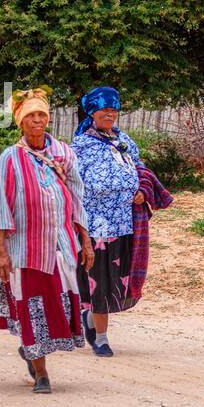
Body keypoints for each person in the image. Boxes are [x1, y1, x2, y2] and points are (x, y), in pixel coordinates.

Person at [0, 87, 94, 393]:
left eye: (41, 115)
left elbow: (78, 198)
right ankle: (42, 373)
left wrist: (85, 240)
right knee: (32, 307)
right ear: (20, 122)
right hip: (26, 249)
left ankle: (31, 352)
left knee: (54, 306)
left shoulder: (64, 154)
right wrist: (1, 253)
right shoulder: (10, 158)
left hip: (61, 246)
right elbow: (2, 205)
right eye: (30, 116)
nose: (37, 121)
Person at [71, 86, 143, 357]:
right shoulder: (81, 146)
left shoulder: (124, 140)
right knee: (99, 280)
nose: (110, 114)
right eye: (105, 110)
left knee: (116, 279)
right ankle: (101, 337)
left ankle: (89, 315)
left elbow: (139, 166)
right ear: (92, 113)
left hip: (123, 224)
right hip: (96, 226)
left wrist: (141, 190)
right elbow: (79, 184)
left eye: (114, 110)